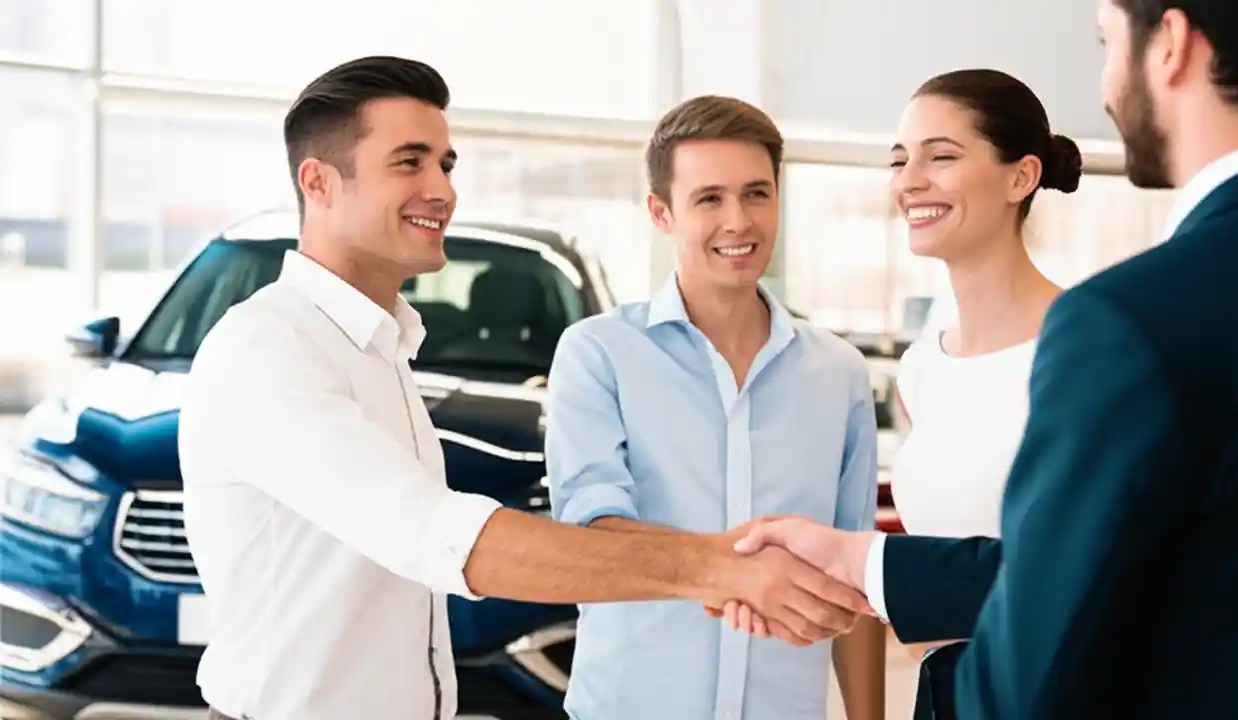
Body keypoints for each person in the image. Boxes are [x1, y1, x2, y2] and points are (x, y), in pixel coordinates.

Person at [177, 56, 867, 720]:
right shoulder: (268, 350)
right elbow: (437, 535)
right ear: (320, 183)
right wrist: (721, 568)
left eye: (445, 165)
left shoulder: (382, 351)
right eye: (408, 162)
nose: (442, 189)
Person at [728, 0, 1238, 716]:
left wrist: (865, 564)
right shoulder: (927, 366)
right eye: (901, 159)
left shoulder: (1115, 333)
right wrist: (847, 571)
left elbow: (1077, 594)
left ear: (1168, 43)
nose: (910, 180)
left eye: (1105, 43)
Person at [544, 95, 885, 720]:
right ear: (661, 211)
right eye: (709, 198)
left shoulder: (838, 373)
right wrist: (727, 571)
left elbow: (857, 577)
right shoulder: (599, 355)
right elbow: (592, 538)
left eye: (757, 194)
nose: (739, 222)